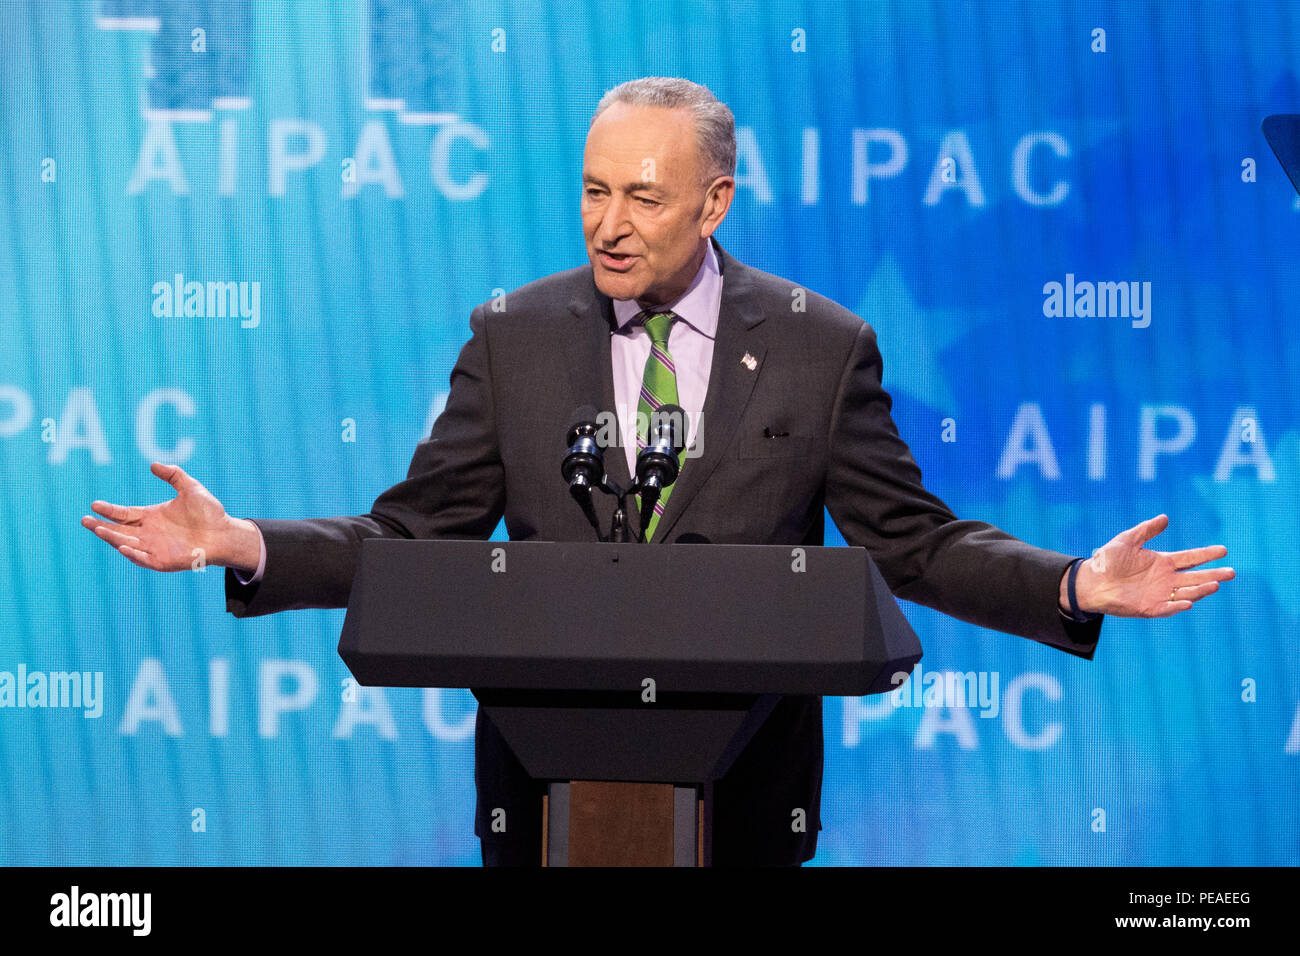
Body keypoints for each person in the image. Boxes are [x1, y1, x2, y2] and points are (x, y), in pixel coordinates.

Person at [83, 77, 1234, 866]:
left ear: (714, 201)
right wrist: (248, 545)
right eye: (593, 191)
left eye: (641, 195)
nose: (608, 225)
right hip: (543, 785)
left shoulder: (817, 344)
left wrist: (1072, 582)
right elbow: (413, 533)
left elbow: (911, 543)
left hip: (743, 785)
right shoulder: (513, 335)